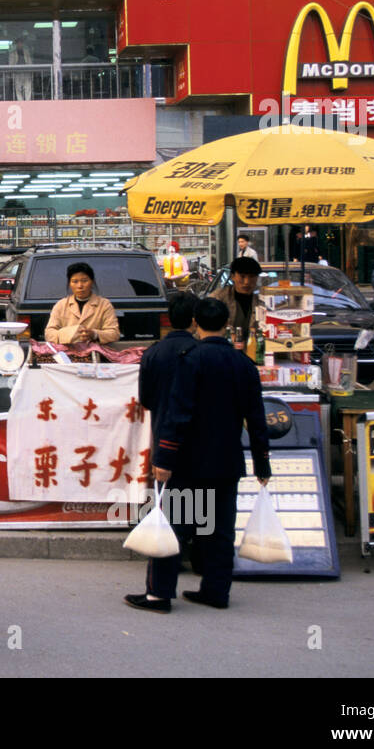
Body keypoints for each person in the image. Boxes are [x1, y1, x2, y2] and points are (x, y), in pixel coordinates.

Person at [125, 297, 271, 614]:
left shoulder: (189, 359)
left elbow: (178, 414)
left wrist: (163, 459)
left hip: (187, 461)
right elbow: (257, 418)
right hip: (227, 461)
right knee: (220, 531)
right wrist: (262, 462)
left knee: (174, 525)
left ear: (196, 323)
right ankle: (216, 591)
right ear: (225, 325)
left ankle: (159, 594)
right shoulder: (244, 365)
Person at [138, 292, 200, 440]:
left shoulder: (152, 353)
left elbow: (145, 399)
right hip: (196, 434)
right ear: (195, 320)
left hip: (163, 432)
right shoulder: (201, 351)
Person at [43, 261, 121, 345]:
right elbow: (49, 333)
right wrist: (69, 334)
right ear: (69, 284)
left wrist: (94, 334)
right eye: (75, 281)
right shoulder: (61, 305)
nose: (80, 286)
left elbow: (114, 333)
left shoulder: (104, 304)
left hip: (95, 352)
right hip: (67, 352)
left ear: (92, 282)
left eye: (84, 281)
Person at [210, 255, 261, 339]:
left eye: (251, 276)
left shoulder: (262, 301)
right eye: (242, 276)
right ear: (232, 276)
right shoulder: (218, 299)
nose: (247, 282)